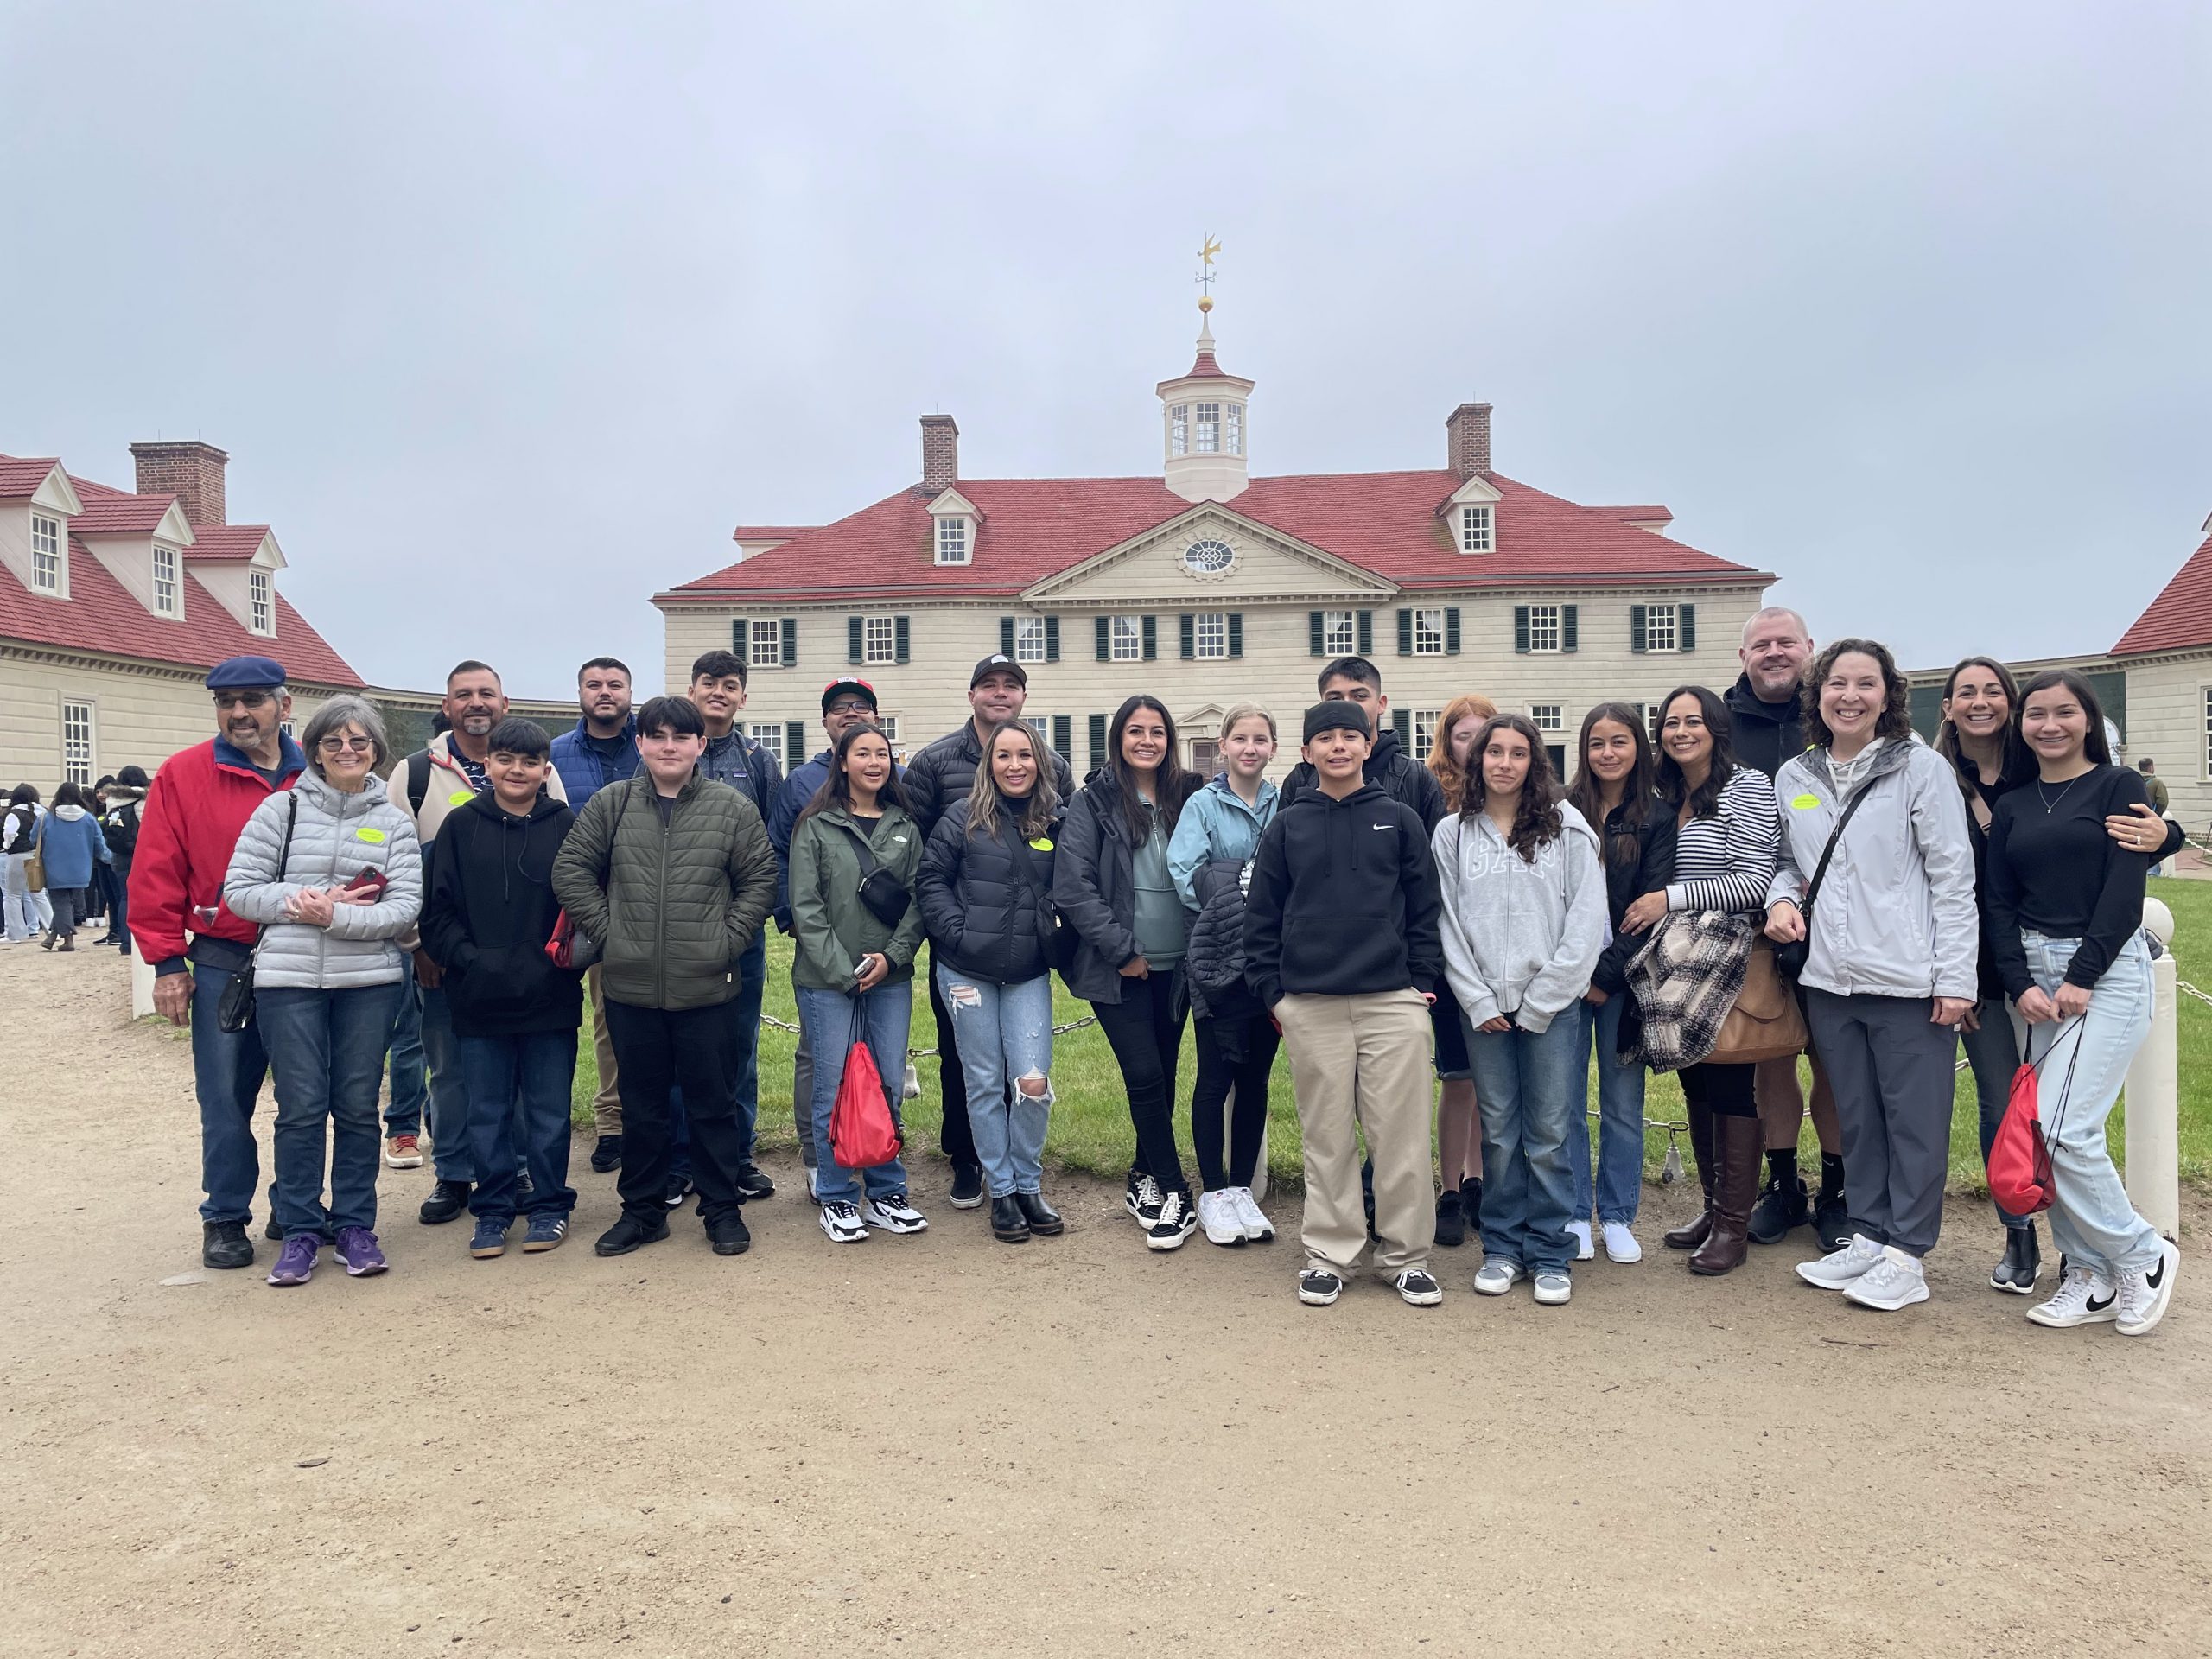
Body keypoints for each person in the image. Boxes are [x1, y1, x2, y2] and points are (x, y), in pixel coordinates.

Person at [1933, 657, 2177, 1294]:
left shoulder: (2085, 777)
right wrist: (1999, 981)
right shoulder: (1942, 780)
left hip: (2083, 970)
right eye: (1966, 693)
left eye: (2062, 711)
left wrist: (2168, 834)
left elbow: (2126, 872)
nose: (2049, 723)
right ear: (1949, 706)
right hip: (2000, 974)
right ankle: (2055, 1251)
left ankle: (2118, 1254)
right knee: (2017, 1117)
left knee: (2064, 1126)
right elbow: (1990, 898)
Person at [1765, 640, 1976, 1312]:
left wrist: (1955, 979)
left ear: (1888, 695)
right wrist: (1778, 901)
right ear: (1817, 694)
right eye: (1836, 683)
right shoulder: (1794, 777)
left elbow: (1952, 880)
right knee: (1857, 1118)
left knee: (1913, 1120)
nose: (1849, 696)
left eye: (1865, 683)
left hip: (1909, 980)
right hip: (1831, 980)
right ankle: (1871, 1232)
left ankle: (1908, 1254)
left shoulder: (1920, 770)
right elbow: (1787, 864)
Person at [550, 696, 778, 1260]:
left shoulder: (731, 808)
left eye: (682, 736)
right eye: (658, 736)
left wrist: (726, 940)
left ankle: (721, 1210)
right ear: (642, 743)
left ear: (701, 744)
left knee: (712, 1104)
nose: (669, 746)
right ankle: (643, 1211)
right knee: (643, 1107)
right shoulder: (612, 805)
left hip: (707, 986)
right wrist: (610, 933)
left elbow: (760, 879)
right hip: (631, 988)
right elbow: (571, 869)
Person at [1246, 700, 1446, 1309]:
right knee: (1327, 1137)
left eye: (1349, 737)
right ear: (1306, 752)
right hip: (1312, 1003)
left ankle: (1405, 1257)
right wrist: (1275, 995)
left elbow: (1424, 909)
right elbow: (1263, 919)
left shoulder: (1400, 818)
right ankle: (1330, 1255)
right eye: (1324, 738)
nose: (1338, 746)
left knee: (1402, 1137)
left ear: (1369, 744)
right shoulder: (1286, 825)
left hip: (1393, 1001)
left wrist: (1421, 982)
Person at [223, 696, 422, 1287]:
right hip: (288, 982)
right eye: (334, 742)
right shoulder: (277, 811)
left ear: (376, 751)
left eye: (360, 742)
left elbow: (405, 909)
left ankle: (357, 1225)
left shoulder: (392, 822)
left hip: (368, 984)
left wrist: (333, 918)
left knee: (358, 1106)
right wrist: (299, 903)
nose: (347, 751)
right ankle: (302, 1228)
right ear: (313, 750)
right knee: (302, 1106)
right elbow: (239, 890)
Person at [130, 656, 308, 1268]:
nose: (238, 713)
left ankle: (299, 1204)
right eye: (226, 702)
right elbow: (155, 870)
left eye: (253, 700)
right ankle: (226, 1216)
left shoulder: (318, 771)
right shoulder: (183, 775)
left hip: (306, 954)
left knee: (307, 1090)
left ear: (284, 707)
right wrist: (165, 963)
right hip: (223, 956)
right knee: (225, 1094)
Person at [387, 662, 568, 1224]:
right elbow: (398, 866)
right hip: (445, 953)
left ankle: (510, 1170)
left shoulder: (544, 775)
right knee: (450, 1068)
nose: (476, 702)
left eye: (486, 693)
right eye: (464, 694)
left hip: (525, 958)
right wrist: (419, 945)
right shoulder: (414, 774)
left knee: (508, 1070)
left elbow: (561, 851)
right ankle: (453, 1173)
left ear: (504, 703)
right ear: (447, 706)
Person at [1436, 715, 1606, 1306]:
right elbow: (1447, 926)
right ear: (1477, 760)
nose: (1504, 763)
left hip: (1551, 1008)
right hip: (1483, 1010)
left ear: (1535, 761)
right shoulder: (1453, 834)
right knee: (1502, 1135)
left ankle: (1551, 1250)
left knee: (1551, 1132)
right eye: (1494, 752)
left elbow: (1587, 922)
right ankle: (1504, 1249)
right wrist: (1478, 998)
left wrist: (1547, 998)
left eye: (1517, 753)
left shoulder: (1569, 830)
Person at [905, 655, 1077, 1208]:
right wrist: (954, 933)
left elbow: (1078, 871)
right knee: (977, 1079)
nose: (1015, 763)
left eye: (1024, 754)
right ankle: (996, 1185)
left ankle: (1027, 1181)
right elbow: (928, 870)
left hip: (1026, 966)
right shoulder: (953, 799)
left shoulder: (1055, 811)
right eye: (1004, 755)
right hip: (966, 961)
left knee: (1030, 1080)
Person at [1629, 684, 1782, 1275]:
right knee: (1693, 1079)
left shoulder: (1747, 786)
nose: (1681, 732)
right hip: (1671, 950)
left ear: (1717, 728)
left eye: (1694, 721)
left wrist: (1669, 896)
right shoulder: (1663, 791)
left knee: (1731, 1082)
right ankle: (1713, 1207)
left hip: (1726, 950)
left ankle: (1733, 1228)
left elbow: (1754, 880)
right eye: (1670, 722)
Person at [420, 718, 585, 1260]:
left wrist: (563, 964)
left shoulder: (568, 826)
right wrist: (469, 960)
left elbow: (586, 907)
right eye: (506, 760)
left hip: (550, 992)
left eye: (530, 762)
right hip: (478, 993)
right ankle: (491, 1209)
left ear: (545, 769)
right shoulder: (459, 827)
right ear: (486, 765)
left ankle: (549, 1206)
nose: (517, 771)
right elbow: (437, 910)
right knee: (486, 1109)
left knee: (548, 1109)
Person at [1056, 694, 1205, 1249]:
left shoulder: (1190, 795)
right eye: (1136, 730)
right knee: (1143, 1074)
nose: (1147, 740)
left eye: (1158, 731)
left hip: (1181, 962)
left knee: (1164, 1074)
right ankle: (1174, 1189)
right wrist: (1124, 951)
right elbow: (1074, 887)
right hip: (1120, 965)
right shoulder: (1093, 801)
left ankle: (1141, 1177)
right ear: (1118, 737)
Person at [1726, 607, 1848, 1251]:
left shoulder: (1834, 714)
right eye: (1761, 644)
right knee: (1770, 1059)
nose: (1775, 653)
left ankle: (1837, 1189)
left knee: (1831, 1061)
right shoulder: (1726, 726)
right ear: (1742, 655)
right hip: (1755, 921)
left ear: (1809, 648)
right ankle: (1783, 1187)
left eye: (1786, 643)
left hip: (1841, 919)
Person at [787, 721, 930, 1243]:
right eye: (862, 753)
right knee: (833, 1088)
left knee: (888, 1083)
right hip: (828, 982)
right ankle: (837, 1194)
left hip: (890, 979)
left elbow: (920, 903)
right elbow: (806, 907)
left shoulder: (905, 827)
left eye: (883, 753)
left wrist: (891, 960)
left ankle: (888, 1188)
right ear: (842, 761)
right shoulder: (815, 825)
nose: (874, 761)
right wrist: (843, 973)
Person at [767, 675, 894, 1192]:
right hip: (819, 940)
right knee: (821, 1058)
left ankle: (876, 1150)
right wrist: (793, 918)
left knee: (881, 1058)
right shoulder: (799, 783)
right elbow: (778, 851)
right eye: (840, 708)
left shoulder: (893, 779)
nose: (850, 713)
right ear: (826, 722)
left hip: (882, 948)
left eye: (861, 707)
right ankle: (818, 1153)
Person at [1563, 702, 1675, 1265]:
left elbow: (1649, 910)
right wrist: (1575, 974)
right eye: (1598, 743)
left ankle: (1616, 1215)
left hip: (1624, 985)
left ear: (1639, 748)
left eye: (1620, 742)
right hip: (1562, 980)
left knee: (1622, 1104)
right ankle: (1574, 1213)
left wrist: (1604, 978)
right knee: (1563, 1104)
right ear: (1584, 750)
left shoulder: (1657, 816)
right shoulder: (1561, 809)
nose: (1608, 753)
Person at [1166, 702, 1281, 1247]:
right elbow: (1186, 873)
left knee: (1255, 1078)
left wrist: (1234, 879)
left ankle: (1241, 1189)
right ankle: (1212, 1190)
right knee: (1215, 1075)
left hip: (1269, 960)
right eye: (1241, 739)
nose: (1251, 748)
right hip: (1214, 958)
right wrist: (1245, 889)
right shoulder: (1202, 805)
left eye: (1261, 739)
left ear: (1273, 748)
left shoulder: (1287, 803)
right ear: (1225, 746)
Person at [681, 649, 785, 1208]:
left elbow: (770, 848)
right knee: (679, 1051)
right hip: (672, 930)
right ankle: (679, 1161)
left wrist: (749, 914)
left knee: (737, 1049)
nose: (718, 692)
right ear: (692, 690)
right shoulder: (669, 749)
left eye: (729, 685)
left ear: (743, 696)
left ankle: (738, 1158)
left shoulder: (758, 761)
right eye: (708, 683)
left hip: (740, 929)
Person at [550, 656, 640, 1176]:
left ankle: (614, 1123)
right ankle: (547, 1128)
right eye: (594, 685)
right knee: (556, 1019)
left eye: (615, 685)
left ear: (630, 691)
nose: (605, 693)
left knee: (614, 1017)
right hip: (567, 905)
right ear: (580, 692)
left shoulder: (648, 746)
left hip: (632, 904)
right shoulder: (556, 755)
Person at [1421, 694, 1497, 1246]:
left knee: (1489, 1079)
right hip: (1449, 964)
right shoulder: (1436, 803)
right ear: (1447, 743)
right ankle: (1449, 1188)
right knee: (1457, 1078)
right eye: (1462, 735)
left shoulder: (1513, 797)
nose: (1473, 745)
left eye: (1482, 734)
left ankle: (1479, 1181)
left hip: (1500, 964)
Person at [30, 782, 111, 951]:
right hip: (81, 868)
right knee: (67, 902)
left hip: (54, 866)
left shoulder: (46, 818)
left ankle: (68, 940)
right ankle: (52, 936)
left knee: (61, 902)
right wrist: (110, 859)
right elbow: (99, 845)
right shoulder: (89, 818)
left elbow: (33, 839)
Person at [94, 766, 148, 954]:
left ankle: (125, 942)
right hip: (139, 854)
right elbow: (147, 828)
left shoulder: (113, 800)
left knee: (124, 897)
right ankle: (140, 941)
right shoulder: (142, 801)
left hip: (118, 855)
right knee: (143, 898)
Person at [2, 785, 53, 944]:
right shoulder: (42, 811)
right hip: (37, 855)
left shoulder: (14, 813)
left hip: (17, 855)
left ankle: (16, 933)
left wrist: (6, 846)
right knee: (38, 893)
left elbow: (9, 834)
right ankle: (53, 929)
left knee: (13, 895)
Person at [2137, 758, 2171, 876]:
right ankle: (2153, 872)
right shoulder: (2157, 783)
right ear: (2151, 767)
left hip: (2134, 820)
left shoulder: (2133, 780)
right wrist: (2158, 816)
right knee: (2152, 844)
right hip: (2151, 819)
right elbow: (2162, 801)